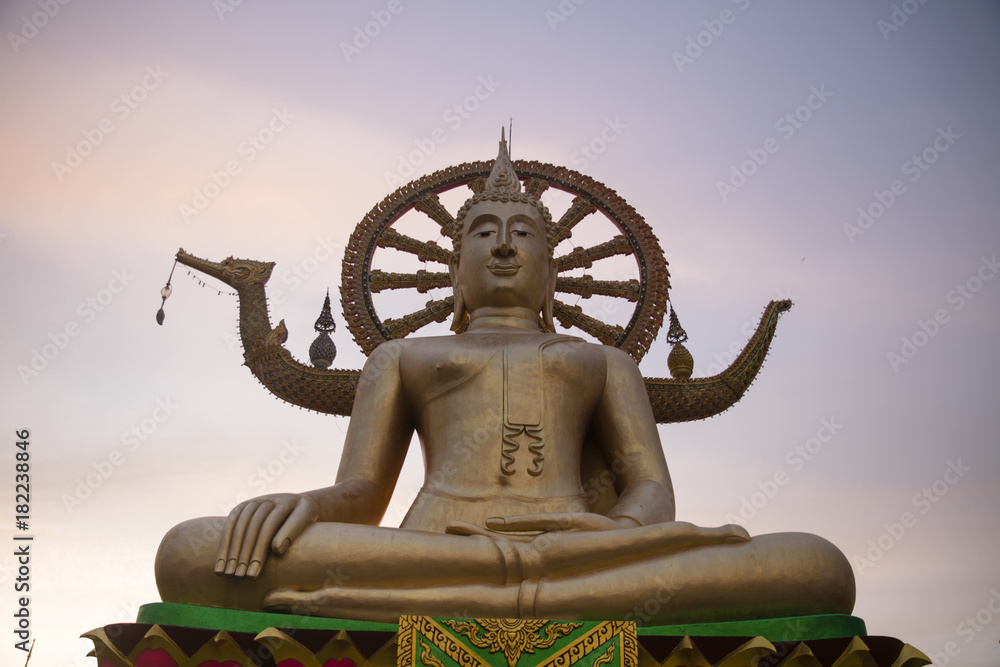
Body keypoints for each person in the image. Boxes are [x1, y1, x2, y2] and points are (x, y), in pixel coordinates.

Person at [155, 133, 855, 623]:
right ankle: (519, 591)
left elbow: (651, 490)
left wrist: (613, 534)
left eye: (524, 233)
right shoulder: (402, 357)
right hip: (434, 545)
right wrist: (302, 505)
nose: (503, 244)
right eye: (482, 231)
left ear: (553, 270)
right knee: (192, 550)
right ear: (454, 269)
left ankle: (489, 592)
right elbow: (363, 495)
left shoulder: (605, 363)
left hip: (584, 551)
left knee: (817, 567)